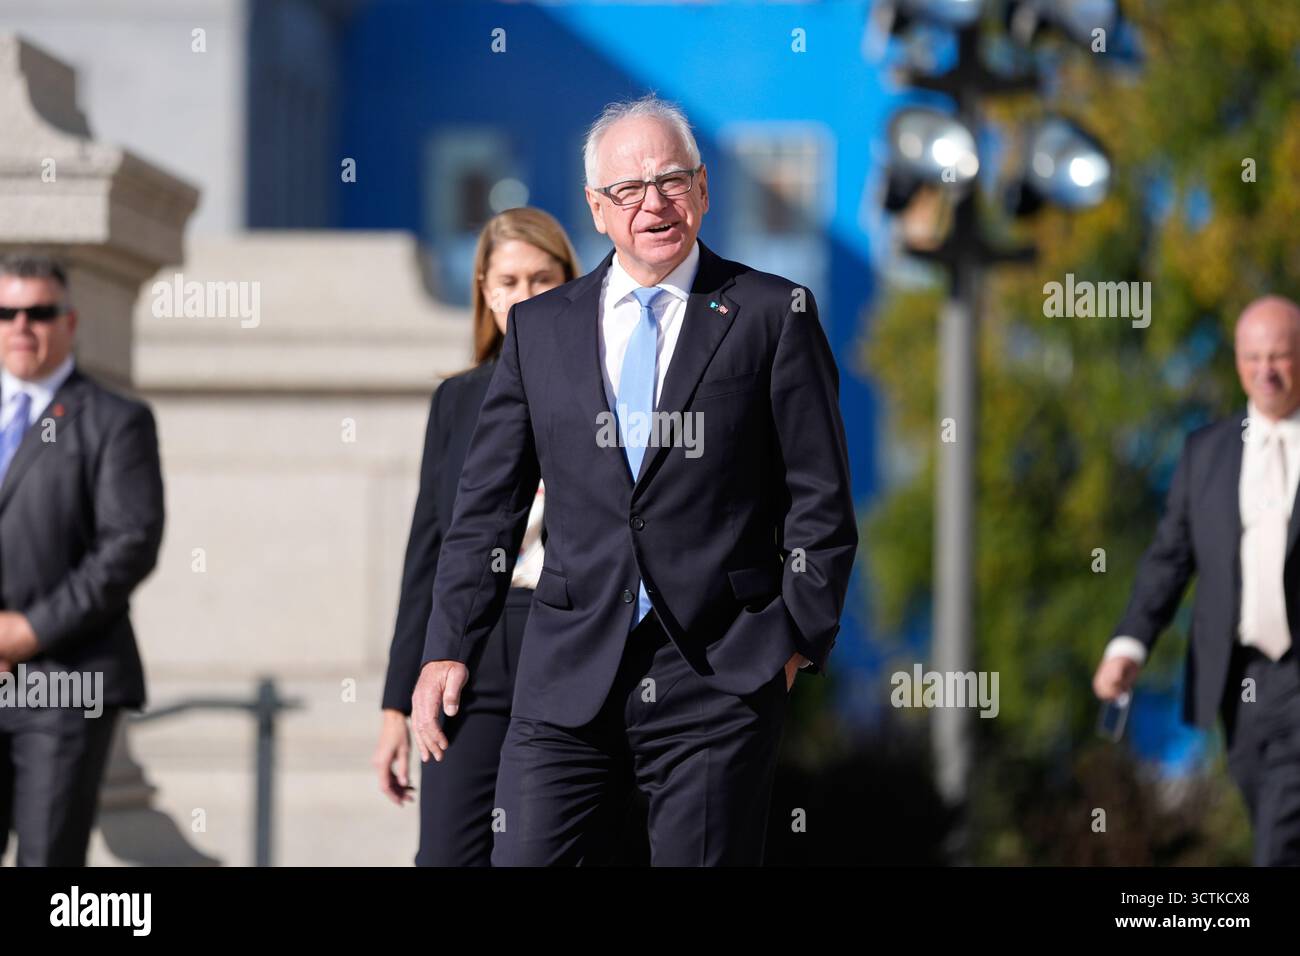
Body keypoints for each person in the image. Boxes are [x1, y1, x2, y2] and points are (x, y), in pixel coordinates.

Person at [411, 95, 858, 866]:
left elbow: (820, 500)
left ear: (704, 189)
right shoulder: (540, 329)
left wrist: (794, 638)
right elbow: (486, 506)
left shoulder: (771, 313)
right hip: (564, 673)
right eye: (627, 188)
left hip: (719, 675)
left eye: (672, 180)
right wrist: (448, 643)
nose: (653, 203)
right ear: (596, 206)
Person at [374, 208, 581, 865]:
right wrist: (393, 705)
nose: (524, 297)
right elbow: (428, 556)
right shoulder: (458, 401)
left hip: (571, 644)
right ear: (485, 293)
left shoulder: (607, 392)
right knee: (446, 856)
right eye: (509, 281)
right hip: (473, 651)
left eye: (542, 279)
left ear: (571, 285)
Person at [1094, 295, 1300, 865]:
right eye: (1253, 357)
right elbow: (1169, 559)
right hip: (1240, 676)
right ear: (1237, 361)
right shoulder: (1205, 453)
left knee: (1282, 824)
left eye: (1280, 356)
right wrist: (1130, 642)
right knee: (1266, 802)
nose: (1266, 371)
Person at [0, 254, 164, 866]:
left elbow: (130, 544)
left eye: (39, 312)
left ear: (68, 322)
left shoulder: (116, 421)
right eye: (7, 312)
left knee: (48, 863)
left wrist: (29, 629)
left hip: (65, 681)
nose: (21, 325)